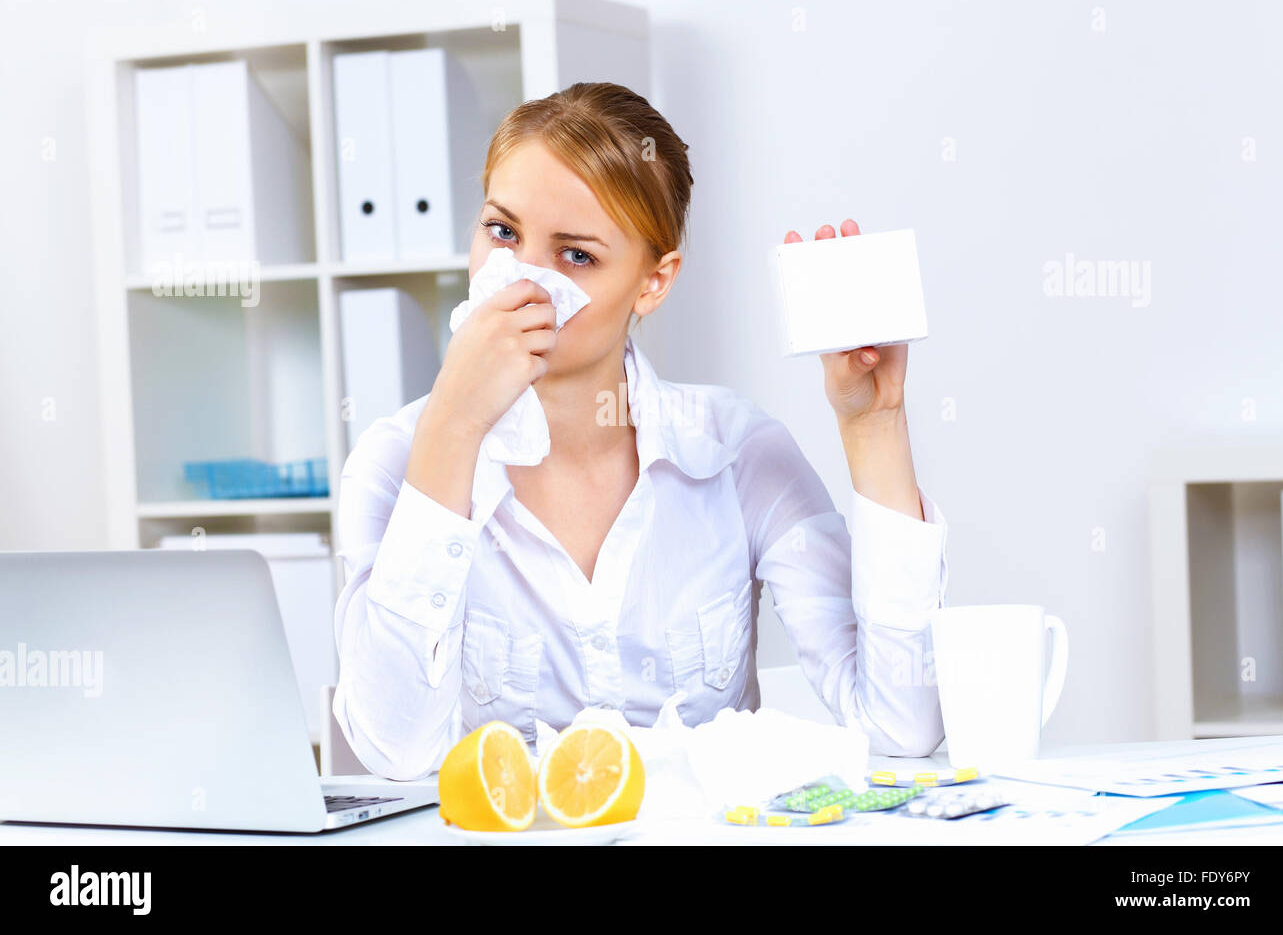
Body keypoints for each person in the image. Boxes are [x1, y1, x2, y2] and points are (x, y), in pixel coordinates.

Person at [332, 82, 948, 781]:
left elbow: (902, 727)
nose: (520, 282)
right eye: (502, 232)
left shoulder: (737, 455)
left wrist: (875, 426)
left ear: (653, 283)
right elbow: (393, 751)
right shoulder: (394, 461)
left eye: (576, 256)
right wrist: (452, 423)